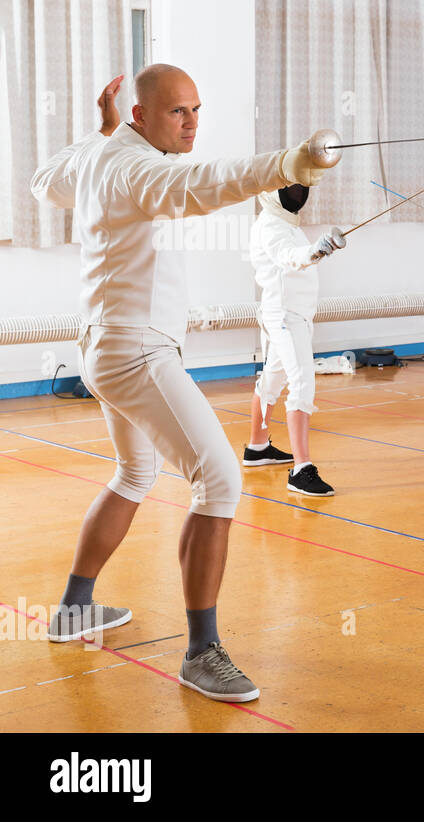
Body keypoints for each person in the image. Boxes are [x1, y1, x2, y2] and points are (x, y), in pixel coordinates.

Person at [29, 64, 335, 702]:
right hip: (137, 352)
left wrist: (100, 128)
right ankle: (202, 651)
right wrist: (284, 163)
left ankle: (75, 609)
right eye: (177, 113)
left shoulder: (102, 154)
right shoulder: (133, 168)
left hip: (107, 345)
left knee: (134, 475)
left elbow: (42, 180)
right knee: (220, 480)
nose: (192, 123)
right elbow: (202, 183)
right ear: (142, 115)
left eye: (197, 110)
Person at [241, 183, 343, 496]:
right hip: (285, 317)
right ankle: (301, 470)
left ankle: (257, 448)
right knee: (302, 383)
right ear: (273, 191)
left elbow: (297, 258)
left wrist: (317, 248)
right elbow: (290, 257)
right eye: (291, 188)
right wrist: (317, 248)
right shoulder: (271, 226)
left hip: (292, 315)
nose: (298, 193)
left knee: (272, 379)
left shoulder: (286, 223)